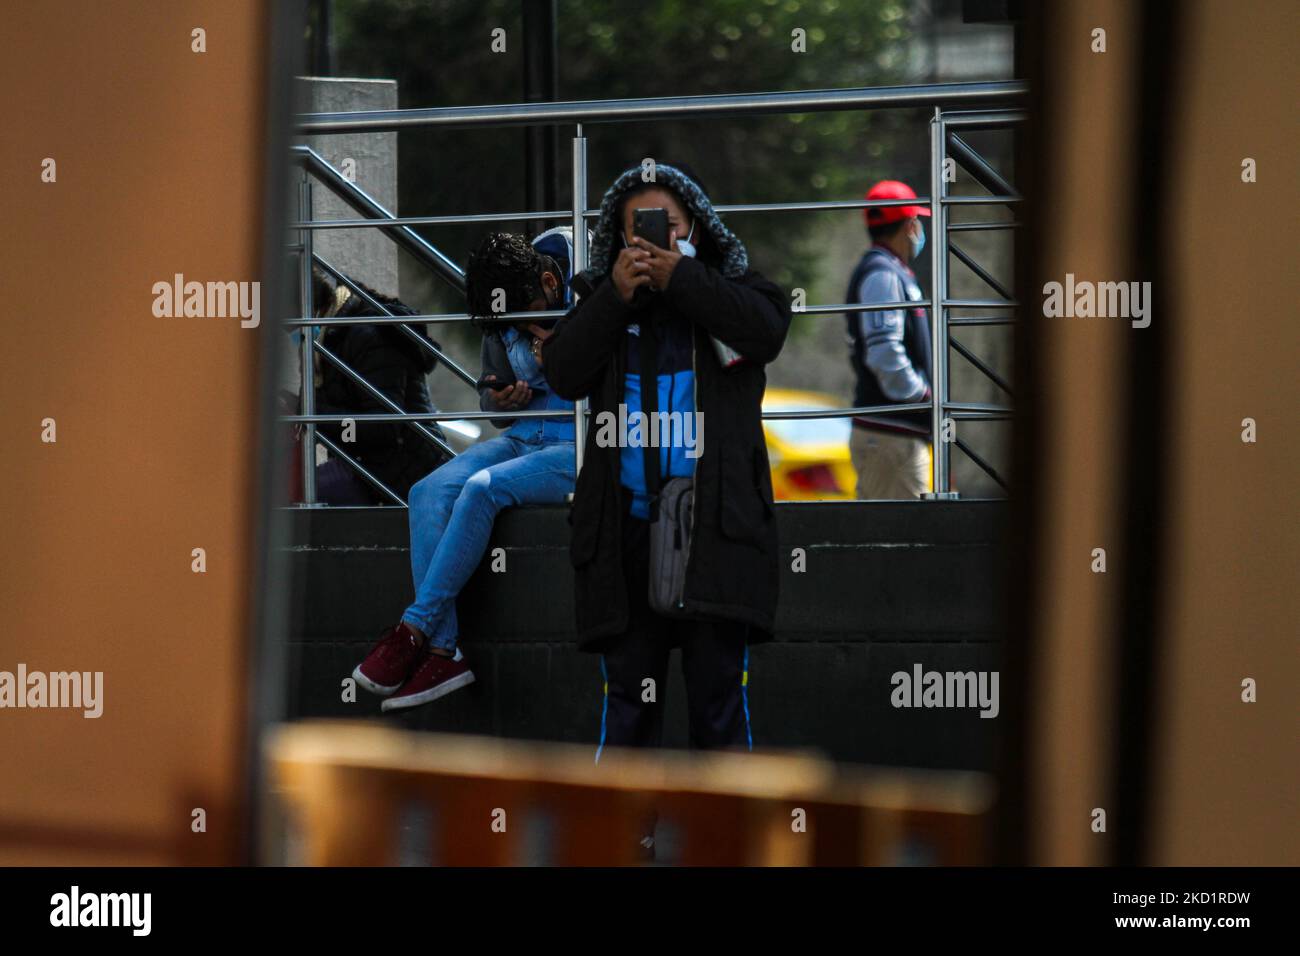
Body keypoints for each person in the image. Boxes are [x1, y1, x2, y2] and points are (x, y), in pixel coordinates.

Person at [542, 161, 791, 765]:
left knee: (718, 708)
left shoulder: (735, 291)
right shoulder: (600, 300)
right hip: (623, 539)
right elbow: (564, 372)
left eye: (668, 227)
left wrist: (684, 278)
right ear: (619, 238)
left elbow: (767, 332)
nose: (653, 242)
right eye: (640, 229)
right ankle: (628, 844)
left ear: (697, 231)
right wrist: (614, 296)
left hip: (716, 536)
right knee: (629, 709)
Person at [351, 232, 576, 711]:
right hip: (525, 436)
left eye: (528, 320)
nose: (524, 331)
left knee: (480, 489)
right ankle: (444, 651)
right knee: (427, 492)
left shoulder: (593, 286)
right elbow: (491, 399)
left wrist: (562, 346)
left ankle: (412, 630)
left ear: (552, 282)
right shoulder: (506, 304)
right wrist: (498, 399)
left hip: (584, 442)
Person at [306, 267, 451, 505]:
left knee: (301, 497)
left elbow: (384, 428)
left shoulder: (368, 335)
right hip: (372, 469)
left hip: (406, 476)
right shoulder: (327, 341)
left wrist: (313, 414)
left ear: (310, 309)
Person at [845, 179, 934, 499]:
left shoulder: (887, 271)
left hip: (890, 434)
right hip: (890, 434)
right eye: (918, 222)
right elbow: (885, 354)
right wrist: (924, 396)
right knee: (901, 541)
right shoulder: (883, 274)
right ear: (910, 224)